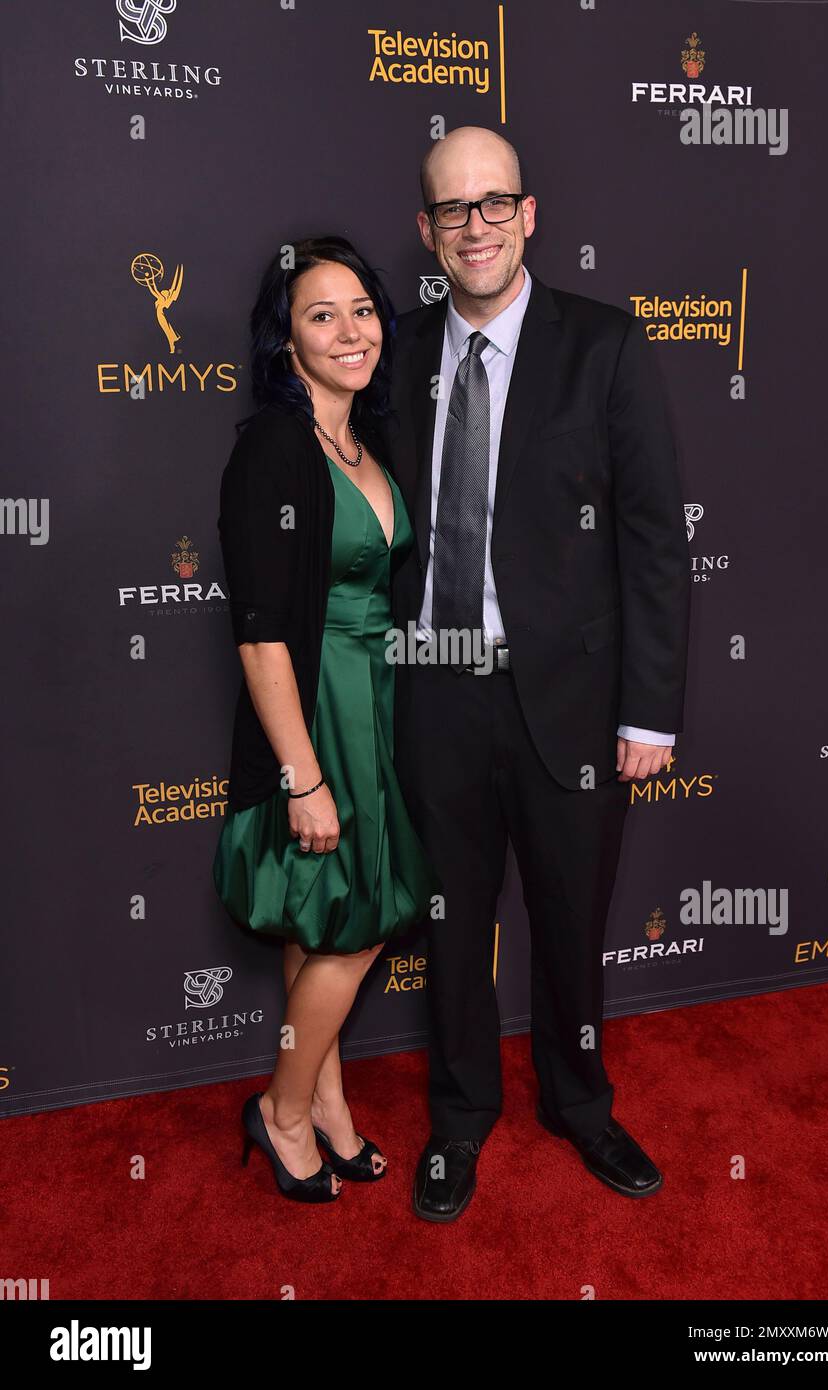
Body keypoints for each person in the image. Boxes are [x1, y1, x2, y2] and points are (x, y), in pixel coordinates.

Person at [387, 127, 692, 1221]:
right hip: (432, 688)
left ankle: (581, 1103)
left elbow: (656, 539)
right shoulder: (397, 350)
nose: (476, 225)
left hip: (568, 699)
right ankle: (460, 1118)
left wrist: (650, 711)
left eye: (494, 202)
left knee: (571, 922)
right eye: (452, 208)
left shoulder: (604, 347)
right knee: (451, 927)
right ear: (426, 230)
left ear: (530, 216)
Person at [213, 236, 438, 1204]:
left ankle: (330, 1106)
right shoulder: (273, 445)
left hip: (378, 703)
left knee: (323, 923)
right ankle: (283, 1110)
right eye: (321, 314)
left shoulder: (370, 441)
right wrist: (301, 775)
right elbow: (261, 634)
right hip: (315, 714)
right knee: (355, 928)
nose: (351, 332)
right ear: (286, 339)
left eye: (362, 309)